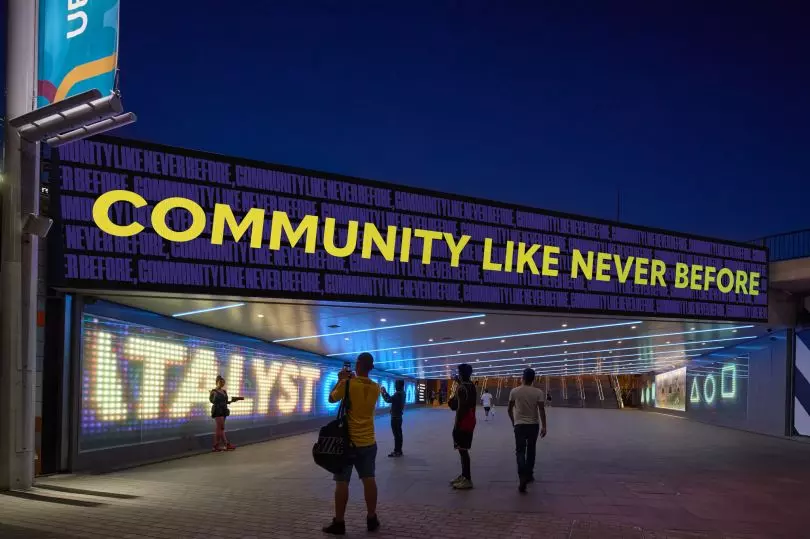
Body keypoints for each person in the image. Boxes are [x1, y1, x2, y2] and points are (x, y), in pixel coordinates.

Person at [323, 353, 382, 535]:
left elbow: (332, 399)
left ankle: (339, 522)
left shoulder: (347, 384)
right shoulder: (376, 387)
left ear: (357, 365)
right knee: (369, 479)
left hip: (347, 443)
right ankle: (371, 518)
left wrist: (340, 380)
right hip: (368, 441)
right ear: (371, 367)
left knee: (342, 483)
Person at [507, 368, 548, 493]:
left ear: (522, 378)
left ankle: (522, 476)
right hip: (533, 425)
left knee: (520, 451)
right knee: (531, 450)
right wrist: (544, 426)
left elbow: (509, 409)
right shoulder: (538, 392)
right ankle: (529, 474)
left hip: (519, 425)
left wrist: (514, 422)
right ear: (533, 379)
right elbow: (541, 410)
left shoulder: (514, 391)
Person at [448, 363, 476, 490]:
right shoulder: (471, 386)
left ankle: (467, 479)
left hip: (463, 422)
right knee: (463, 449)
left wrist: (456, 424)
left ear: (461, 373)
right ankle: (464, 476)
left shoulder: (461, 388)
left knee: (462, 450)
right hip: (471, 420)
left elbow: (459, 408)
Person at [209, 375, 239, 452]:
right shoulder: (213, 391)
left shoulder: (224, 391)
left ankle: (225, 445)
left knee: (221, 428)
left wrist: (232, 401)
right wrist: (214, 395)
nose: (222, 384)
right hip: (217, 410)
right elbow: (212, 401)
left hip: (224, 410)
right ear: (217, 382)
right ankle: (217, 445)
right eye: (220, 382)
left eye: (223, 382)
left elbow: (225, 402)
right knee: (220, 428)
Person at [381, 380, 406, 457]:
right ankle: (399, 451)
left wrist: (382, 393)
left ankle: (397, 451)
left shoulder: (398, 394)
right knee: (399, 434)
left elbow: (388, 400)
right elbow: (392, 399)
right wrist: (385, 393)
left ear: (399, 385)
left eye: (396, 384)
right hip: (399, 417)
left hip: (395, 417)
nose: (395, 386)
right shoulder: (403, 393)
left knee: (396, 435)